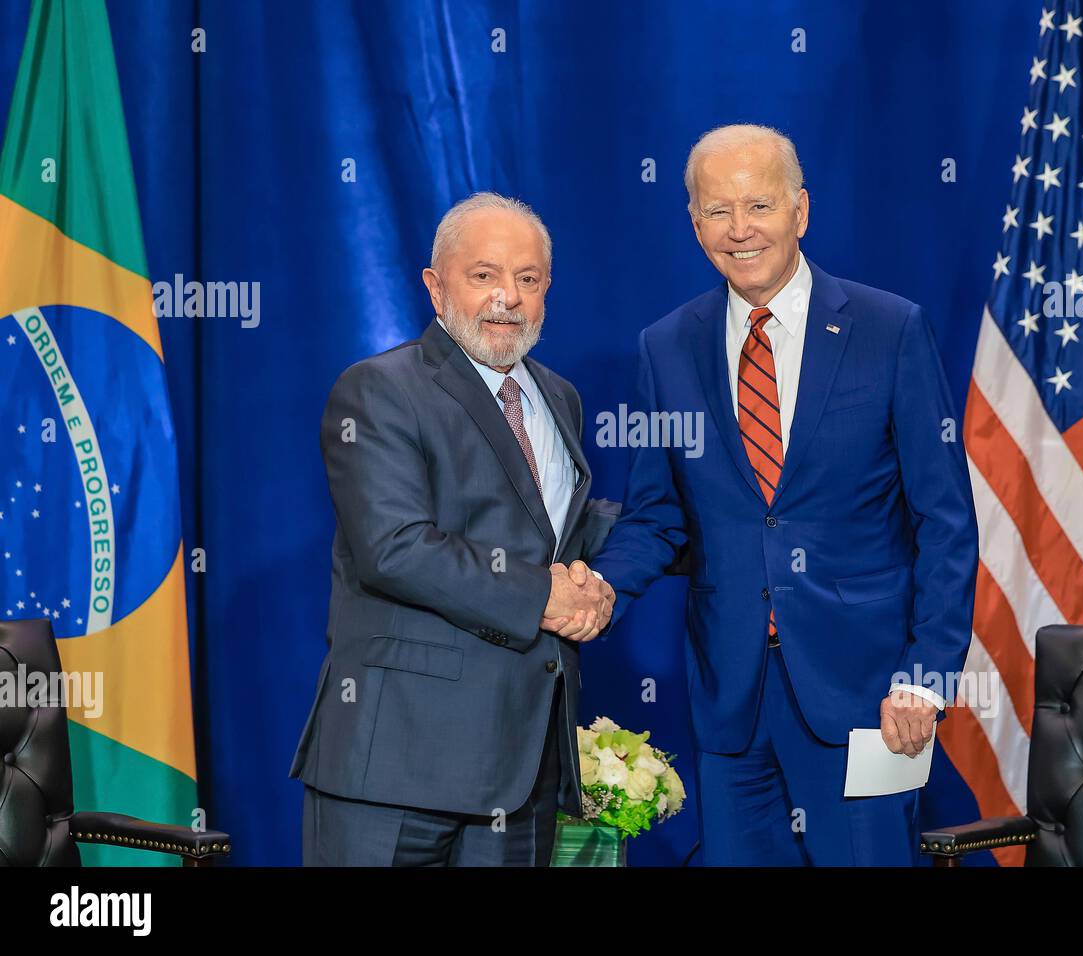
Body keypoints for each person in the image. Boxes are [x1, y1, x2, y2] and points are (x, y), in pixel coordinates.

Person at [591, 125, 978, 866]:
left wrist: (926, 677)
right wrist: (603, 586)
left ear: (800, 210)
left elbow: (945, 522)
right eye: (717, 211)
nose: (739, 230)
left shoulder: (890, 329)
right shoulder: (665, 346)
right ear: (694, 223)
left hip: (870, 696)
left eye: (759, 205)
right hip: (731, 700)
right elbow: (656, 516)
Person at [290, 192, 614, 866]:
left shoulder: (560, 397)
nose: (507, 297)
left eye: (527, 279)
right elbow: (394, 548)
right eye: (484, 275)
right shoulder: (378, 389)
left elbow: (555, 534)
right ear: (436, 287)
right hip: (397, 766)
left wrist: (614, 573)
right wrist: (545, 595)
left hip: (522, 771)